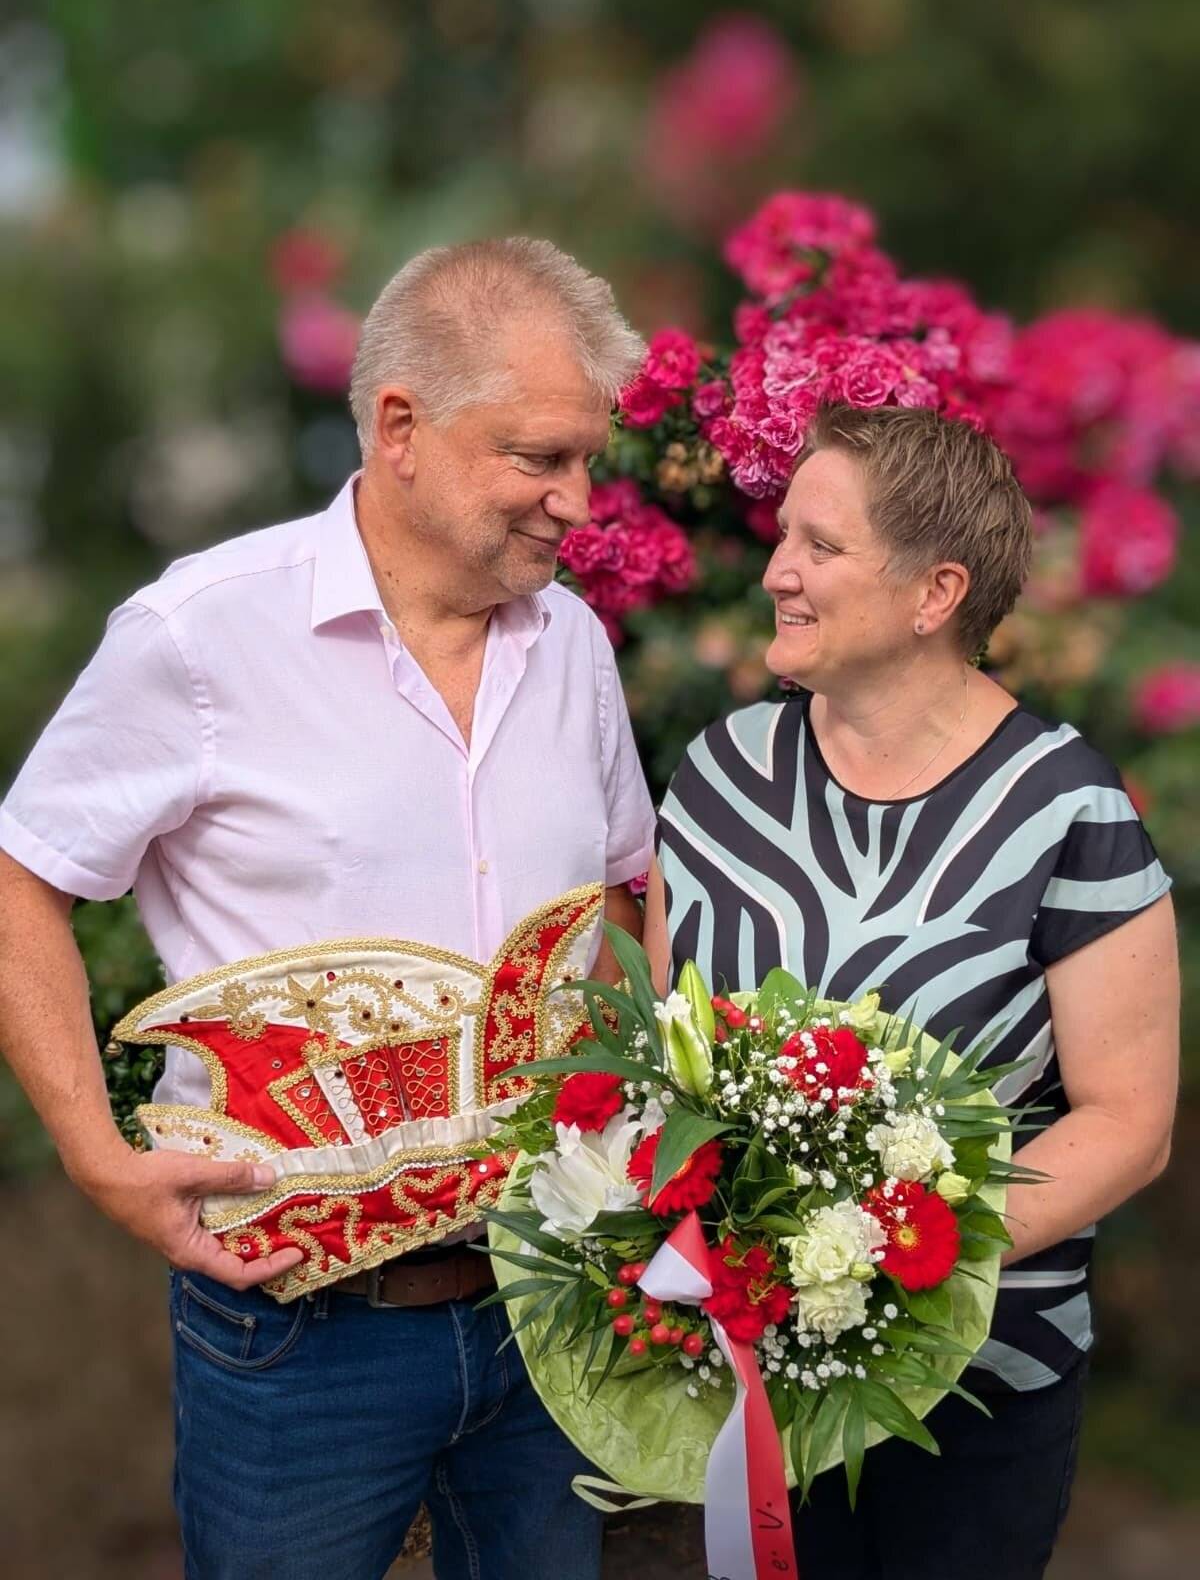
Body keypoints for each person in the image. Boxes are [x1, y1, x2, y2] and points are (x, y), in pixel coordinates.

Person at [0, 237, 656, 1580]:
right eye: (539, 458)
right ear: (400, 427)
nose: (578, 502)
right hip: (300, 1329)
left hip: (553, 1307)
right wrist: (96, 1154)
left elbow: (623, 902)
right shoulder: (200, 638)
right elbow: (20, 878)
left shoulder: (577, 644)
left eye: (588, 461)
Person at [644, 403, 1179, 1580]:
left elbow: (1127, 1125)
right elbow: (666, 1045)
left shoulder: (1069, 815)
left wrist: (880, 1260)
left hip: (979, 1386)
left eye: (820, 546)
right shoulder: (722, 774)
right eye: (784, 534)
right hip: (751, 1374)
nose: (778, 569)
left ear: (937, 593)